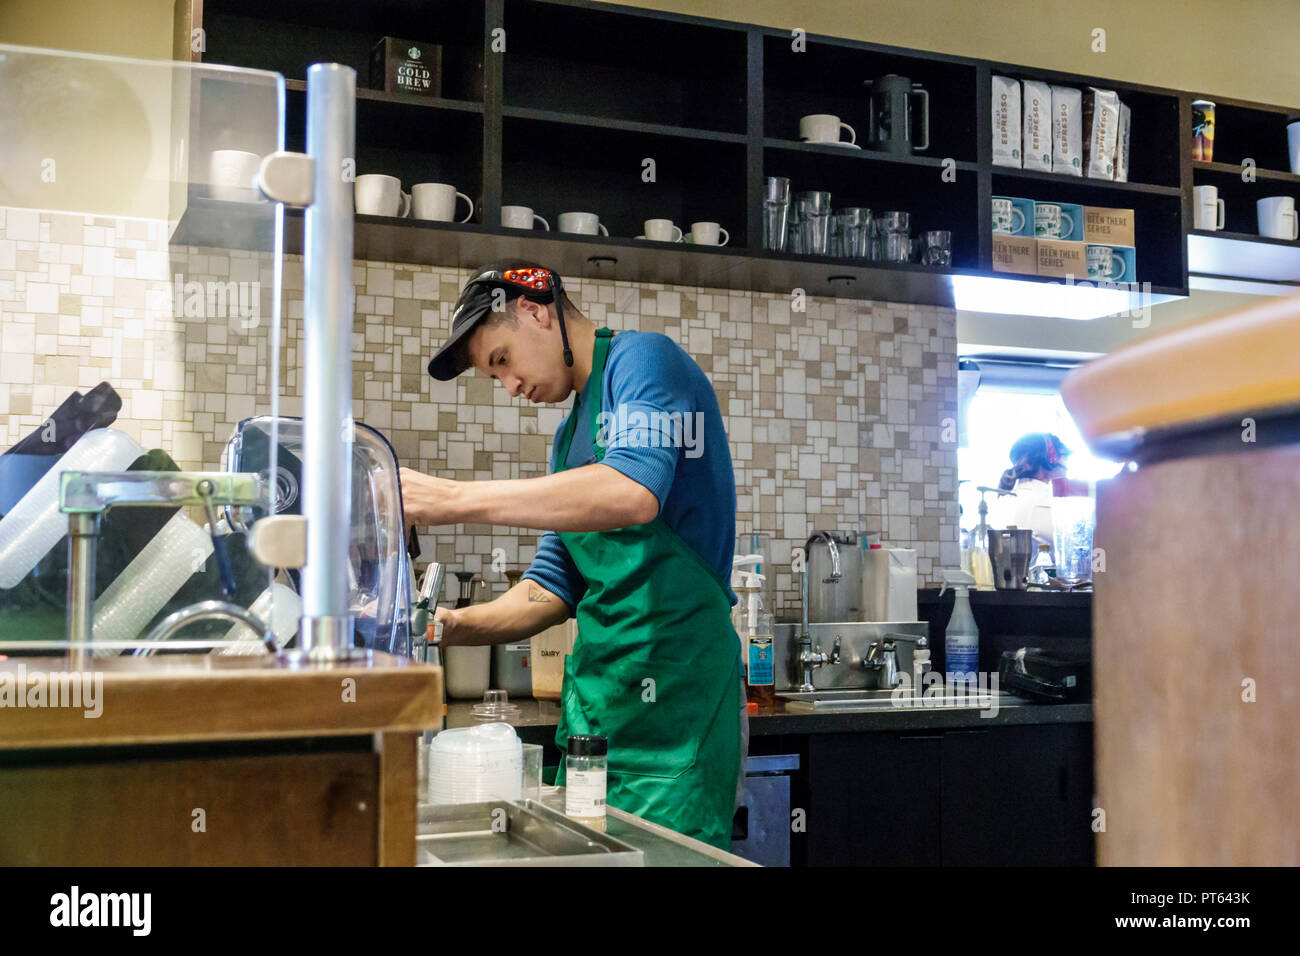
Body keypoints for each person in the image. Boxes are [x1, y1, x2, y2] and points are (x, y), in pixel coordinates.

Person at [400, 261, 743, 849]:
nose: (509, 386)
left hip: (674, 714)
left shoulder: (645, 363)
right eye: (494, 376)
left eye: (503, 359)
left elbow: (633, 490)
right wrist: (447, 627)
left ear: (534, 310)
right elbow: (551, 588)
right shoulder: (569, 438)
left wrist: (452, 498)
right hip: (599, 717)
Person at [994, 432, 1071, 549]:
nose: (1067, 461)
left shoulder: (1009, 498)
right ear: (1051, 458)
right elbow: (1075, 545)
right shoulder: (1043, 502)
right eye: (1065, 455)